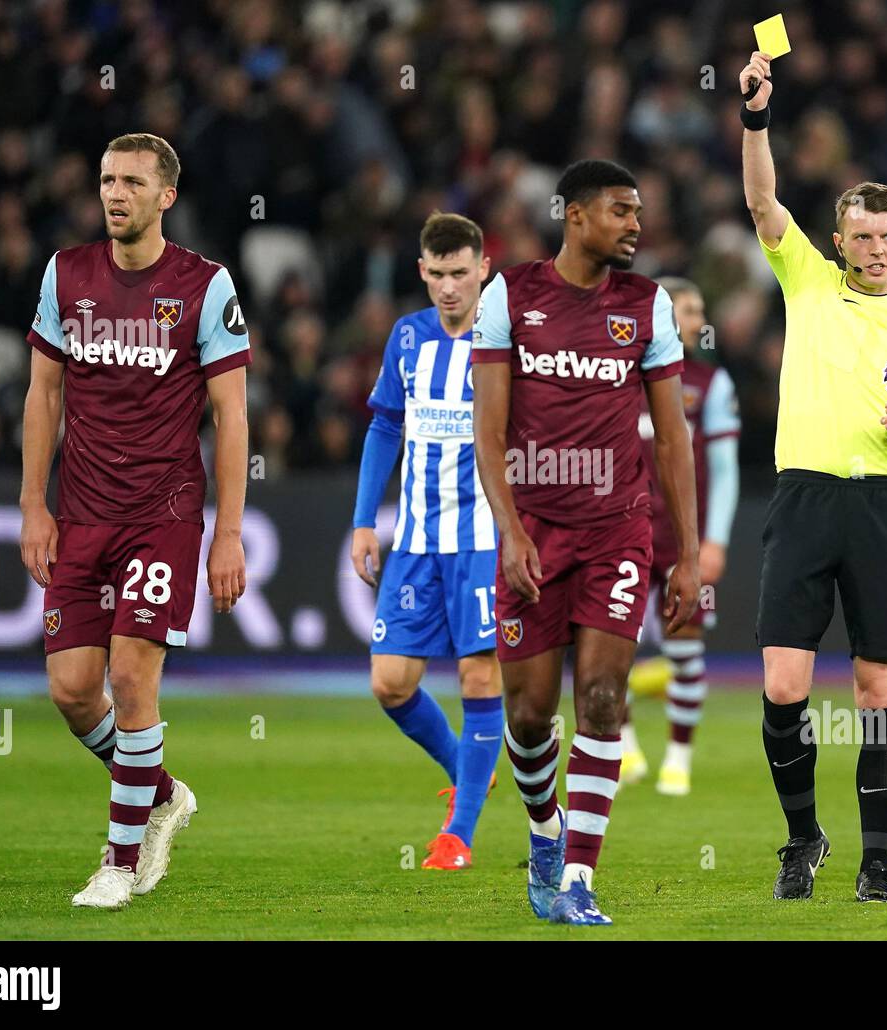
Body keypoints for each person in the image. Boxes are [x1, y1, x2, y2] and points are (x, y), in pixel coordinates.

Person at [740, 52, 887, 903]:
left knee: (878, 687)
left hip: (878, 503)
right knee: (783, 684)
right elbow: (763, 201)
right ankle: (803, 840)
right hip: (802, 498)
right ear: (838, 242)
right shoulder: (805, 281)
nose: (874, 249)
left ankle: (878, 864)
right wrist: (757, 119)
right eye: (860, 236)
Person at [20, 133, 250, 909]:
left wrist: (227, 532)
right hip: (81, 513)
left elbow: (231, 414)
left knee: (129, 676)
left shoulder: (204, 286)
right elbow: (43, 394)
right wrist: (32, 505)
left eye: (131, 183)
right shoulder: (66, 274)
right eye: (106, 180)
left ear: (166, 197)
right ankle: (159, 794)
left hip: (164, 512)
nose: (114, 194)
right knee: (73, 691)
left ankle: (118, 865)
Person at [472, 159, 700, 925]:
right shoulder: (512, 295)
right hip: (531, 534)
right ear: (573, 215)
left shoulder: (648, 306)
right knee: (530, 716)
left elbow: (672, 441)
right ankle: (545, 830)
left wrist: (690, 557)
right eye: (620, 211)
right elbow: (490, 430)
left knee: (601, 698)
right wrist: (508, 533)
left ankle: (578, 878)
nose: (636, 224)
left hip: (617, 534)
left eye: (638, 212)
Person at [350, 212, 504, 870]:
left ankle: (458, 835)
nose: (448, 287)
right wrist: (363, 520)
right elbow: (385, 425)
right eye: (436, 275)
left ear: (483, 270)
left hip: (485, 539)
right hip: (415, 539)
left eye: (459, 274)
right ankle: (471, 766)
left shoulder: (505, 342)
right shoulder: (407, 338)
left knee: (478, 673)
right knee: (389, 683)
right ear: (422, 271)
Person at [621, 278, 740, 796]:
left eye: (698, 310)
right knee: (606, 650)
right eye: (687, 308)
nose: (696, 319)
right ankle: (624, 751)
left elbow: (725, 468)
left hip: (680, 538)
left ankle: (678, 760)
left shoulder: (711, 384)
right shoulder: (620, 376)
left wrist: (713, 540)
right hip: (619, 531)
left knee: (685, 649)